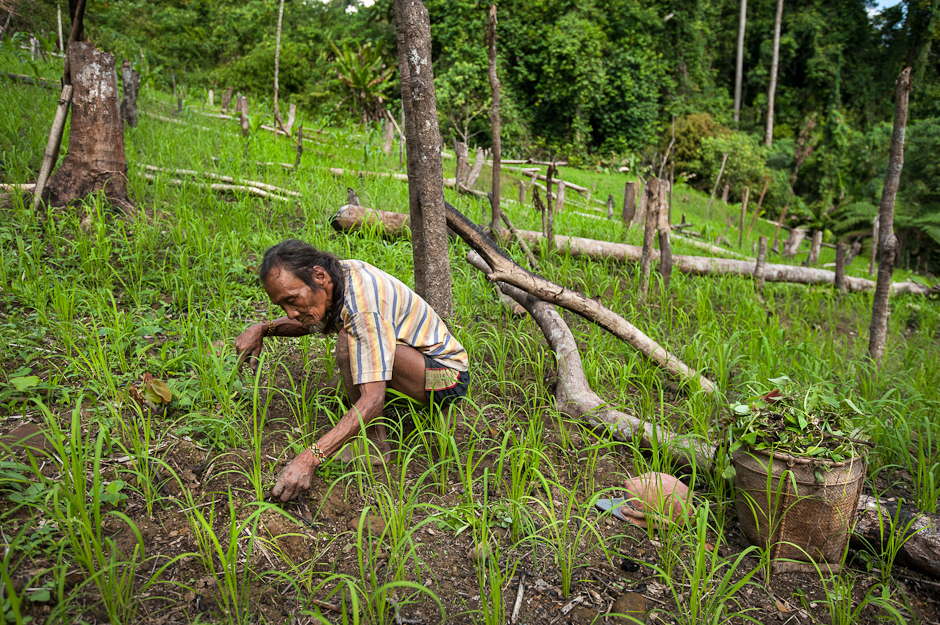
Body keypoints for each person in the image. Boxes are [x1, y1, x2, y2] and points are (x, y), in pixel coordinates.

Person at [235, 239, 469, 502]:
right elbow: (310, 319)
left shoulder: (361, 307)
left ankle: (374, 444)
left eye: (292, 300)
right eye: (282, 306)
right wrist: (264, 328)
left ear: (318, 276)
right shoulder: (339, 276)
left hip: (446, 377)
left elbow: (373, 398)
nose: (290, 313)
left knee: (348, 344)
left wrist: (309, 458)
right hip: (418, 362)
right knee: (350, 349)